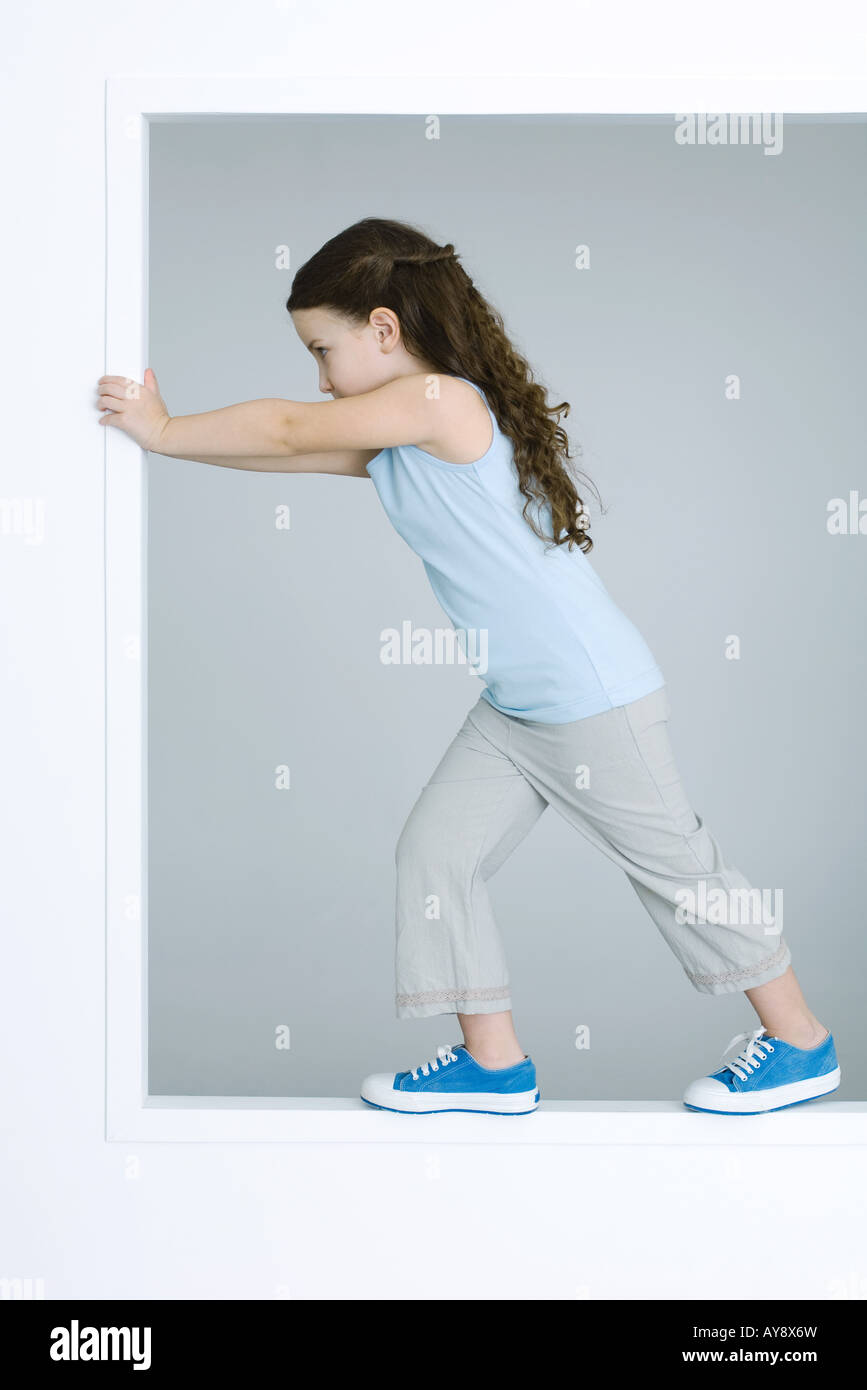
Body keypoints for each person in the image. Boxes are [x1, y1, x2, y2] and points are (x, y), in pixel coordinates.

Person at [96, 216, 840, 1116]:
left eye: (324, 349)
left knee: (677, 871)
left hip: (589, 697)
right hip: (517, 706)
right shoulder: (396, 439)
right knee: (436, 852)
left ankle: (802, 1043)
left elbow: (292, 429)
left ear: (383, 328)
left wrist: (164, 429)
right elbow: (285, 450)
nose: (320, 376)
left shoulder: (441, 404)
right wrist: (171, 444)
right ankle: (493, 1064)